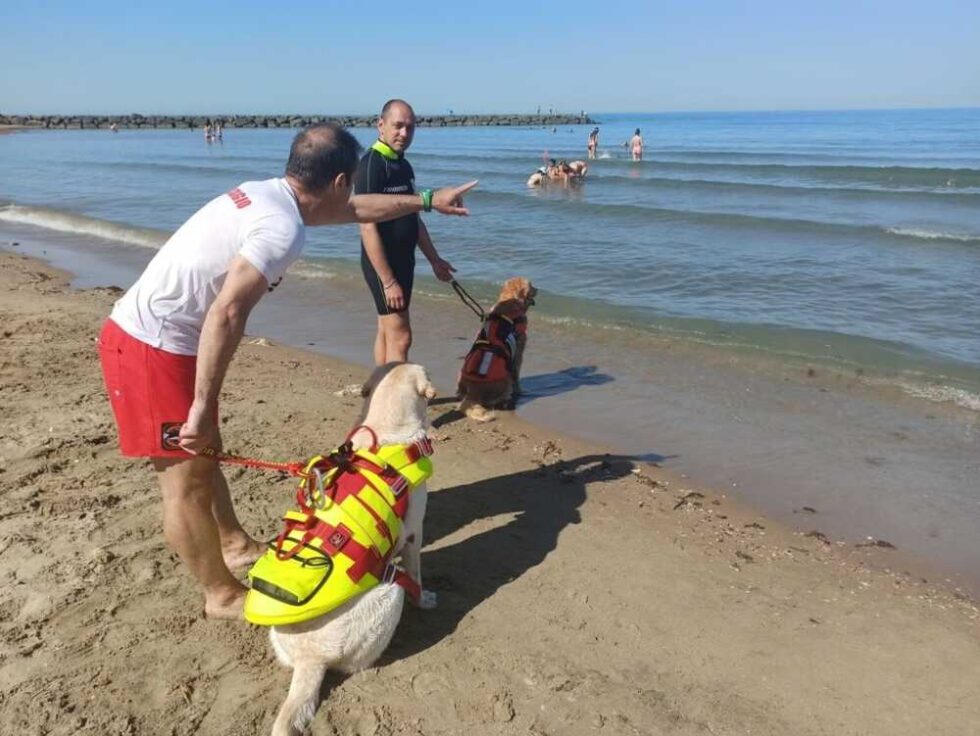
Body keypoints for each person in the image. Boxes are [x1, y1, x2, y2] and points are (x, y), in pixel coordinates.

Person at [97, 123, 476, 620]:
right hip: (150, 347)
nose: (356, 193)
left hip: (170, 340)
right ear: (340, 180)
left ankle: (232, 543)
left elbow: (360, 209)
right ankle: (221, 594)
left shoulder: (270, 195)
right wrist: (202, 403)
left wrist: (427, 199)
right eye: (355, 182)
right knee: (184, 483)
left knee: (206, 452)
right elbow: (227, 313)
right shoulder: (281, 228)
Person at [357, 99, 457, 365]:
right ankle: (396, 402)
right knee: (401, 337)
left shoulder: (403, 165)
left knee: (387, 330)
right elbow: (367, 226)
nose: (404, 133)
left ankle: (380, 393)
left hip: (405, 261)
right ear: (381, 125)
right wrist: (388, 281)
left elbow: (413, 218)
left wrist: (435, 260)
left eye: (410, 128)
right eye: (398, 126)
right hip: (384, 265)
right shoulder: (371, 165)